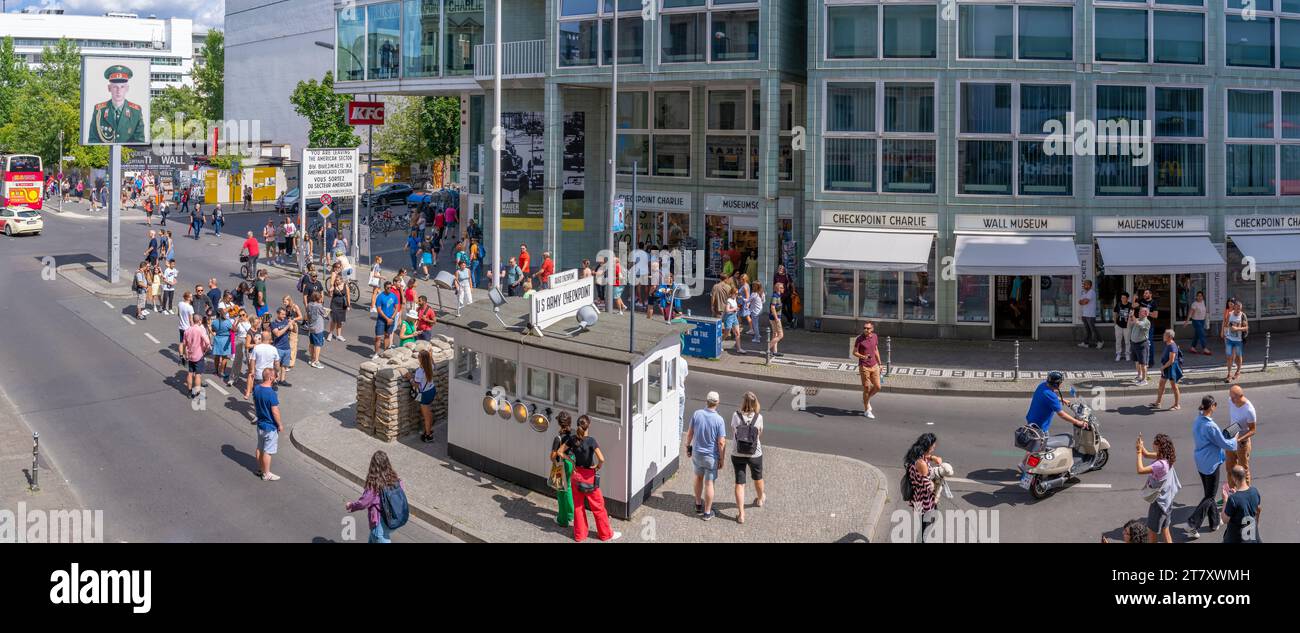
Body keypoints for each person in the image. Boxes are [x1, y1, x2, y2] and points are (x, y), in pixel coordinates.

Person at [555, 415, 620, 542]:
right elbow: (601, 459)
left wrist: (572, 462)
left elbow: (559, 452)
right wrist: (597, 467)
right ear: (588, 426)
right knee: (598, 506)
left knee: (578, 507)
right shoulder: (591, 441)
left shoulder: (572, 440)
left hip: (576, 476)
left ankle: (580, 536)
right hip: (589, 477)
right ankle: (606, 535)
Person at [1187, 395, 1240, 539]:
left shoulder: (1198, 420)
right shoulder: (1211, 426)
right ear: (1212, 406)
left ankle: (1214, 522)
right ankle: (1193, 523)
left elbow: (1214, 438)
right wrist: (1235, 437)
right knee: (1210, 496)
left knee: (1208, 493)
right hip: (1211, 463)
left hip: (1200, 461)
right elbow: (1225, 444)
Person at [686, 391, 727, 521]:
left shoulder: (697, 414)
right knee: (709, 483)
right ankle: (707, 512)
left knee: (698, 478)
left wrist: (688, 447)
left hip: (697, 454)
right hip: (711, 457)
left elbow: (690, 433)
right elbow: (721, 443)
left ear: (706, 401)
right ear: (717, 403)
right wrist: (722, 458)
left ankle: (698, 504)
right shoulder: (719, 420)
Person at [1135, 433, 1181, 543]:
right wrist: (1141, 447)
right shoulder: (1166, 457)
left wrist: (1138, 452)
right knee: (1165, 530)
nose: (1153, 444)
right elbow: (1146, 455)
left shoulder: (1160, 464)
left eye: (1155, 442)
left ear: (1160, 446)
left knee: (1152, 531)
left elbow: (1140, 470)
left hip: (1158, 504)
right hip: (1167, 501)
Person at [731, 391, 766, 525]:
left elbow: (734, 430)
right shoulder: (759, 417)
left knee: (740, 483)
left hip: (737, 453)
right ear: (755, 403)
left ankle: (741, 514)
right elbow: (759, 434)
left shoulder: (736, 416)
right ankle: (760, 499)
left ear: (743, 402)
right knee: (758, 478)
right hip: (754, 453)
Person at [87, 64, 145, 143]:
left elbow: (139, 142)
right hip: (104, 154)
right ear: (109, 88)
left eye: (122, 87)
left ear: (127, 89)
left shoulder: (135, 111)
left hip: (127, 155)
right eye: (115, 87)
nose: (118, 91)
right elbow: (93, 140)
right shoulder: (99, 110)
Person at [904, 433, 942, 542]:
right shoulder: (922, 464)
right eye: (933, 446)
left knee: (924, 522)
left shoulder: (915, 454)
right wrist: (935, 482)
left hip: (916, 496)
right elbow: (928, 486)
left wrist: (933, 457)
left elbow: (925, 458)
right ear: (927, 446)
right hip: (924, 499)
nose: (934, 447)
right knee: (927, 524)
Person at [252, 368, 283, 481]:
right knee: (268, 451)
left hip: (260, 424)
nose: (276, 379)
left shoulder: (256, 389)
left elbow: (255, 403)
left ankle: (260, 469)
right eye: (275, 377)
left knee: (259, 448)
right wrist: (279, 424)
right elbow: (275, 411)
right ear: (270, 378)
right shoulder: (271, 393)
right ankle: (266, 474)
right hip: (270, 426)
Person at [1225, 385, 1257, 486]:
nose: (1231, 400)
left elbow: (1253, 430)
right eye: (1230, 396)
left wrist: (1239, 440)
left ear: (1241, 396)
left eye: (1234, 398)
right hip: (1231, 437)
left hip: (1242, 442)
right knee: (1230, 468)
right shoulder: (1231, 401)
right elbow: (1233, 419)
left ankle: (1245, 493)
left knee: (1243, 470)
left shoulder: (1249, 410)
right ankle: (1231, 493)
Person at [1221, 466, 1261, 543]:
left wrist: (1225, 500)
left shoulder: (1232, 499)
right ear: (1245, 475)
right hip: (1252, 536)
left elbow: (1224, 519)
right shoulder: (1255, 491)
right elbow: (1258, 509)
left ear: (1233, 478)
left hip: (1237, 538)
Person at [549, 412, 576, 527]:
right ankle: (571, 515)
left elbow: (553, 456)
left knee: (561, 491)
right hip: (572, 461)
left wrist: (554, 462)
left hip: (562, 463)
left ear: (559, 424)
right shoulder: (574, 433)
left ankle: (562, 519)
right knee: (568, 488)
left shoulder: (558, 438)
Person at [1151, 329, 1182, 411]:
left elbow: (1171, 361)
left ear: (1170, 337)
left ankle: (1177, 405)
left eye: (1165, 335)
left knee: (1174, 387)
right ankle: (1158, 403)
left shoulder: (1172, 346)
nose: (1163, 336)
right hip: (1166, 367)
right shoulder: (1168, 344)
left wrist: (1163, 367)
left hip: (1171, 368)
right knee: (1161, 384)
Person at [412, 349, 439, 444]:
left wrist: (408, 377)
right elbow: (434, 364)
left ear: (421, 359)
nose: (417, 357)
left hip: (425, 394)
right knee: (428, 412)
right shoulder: (430, 366)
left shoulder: (419, 371)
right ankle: (430, 428)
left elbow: (416, 385)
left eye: (418, 356)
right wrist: (431, 355)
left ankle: (428, 435)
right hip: (432, 390)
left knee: (426, 416)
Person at [182, 314, 211, 399]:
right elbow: (208, 342)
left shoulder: (187, 330)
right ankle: (197, 392)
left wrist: (185, 353)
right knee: (198, 375)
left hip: (190, 355)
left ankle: (189, 392)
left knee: (190, 373)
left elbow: (184, 344)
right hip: (199, 355)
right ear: (199, 321)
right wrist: (205, 349)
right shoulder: (200, 330)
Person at [244, 332, 280, 400]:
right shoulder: (273, 349)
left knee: (257, 394)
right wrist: (277, 372)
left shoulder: (256, 348)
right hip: (270, 376)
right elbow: (277, 364)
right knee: (271, 393)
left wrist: (252, 370)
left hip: (259, 375)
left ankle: (257, 407)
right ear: (270, 338)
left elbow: (252, 360)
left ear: (261, 338)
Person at [373, 281, 399, 359]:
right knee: (378, 337)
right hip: (381, 319)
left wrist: (391, 318)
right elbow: (379, 310)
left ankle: (385, 352)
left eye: (390, 287)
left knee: (387, 336)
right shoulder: (380, 296)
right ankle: (376, 353)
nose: (389, 289)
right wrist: (387, 318)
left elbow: (397, 307)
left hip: (390, 319)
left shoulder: (393, 296)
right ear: (384, 288)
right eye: (388, 288)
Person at [1223, 300, 1247, 383]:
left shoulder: (1242, 315)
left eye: (1239, 309)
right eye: (1237, 309)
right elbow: (1226, 324)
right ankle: (1229, 374)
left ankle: (1238, 371)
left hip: (1238, 340)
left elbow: (1246, 328)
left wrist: (1237, 329)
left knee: (1238, 356)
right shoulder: (1230, 314)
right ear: (1234, 307)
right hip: (1229, 339)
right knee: (1229, 357)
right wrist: (1225, 335)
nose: (1238, 311)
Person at [211, 308, 236, 385]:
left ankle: (216, 371)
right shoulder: (227, 322)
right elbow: (234, 329)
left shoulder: (214, 322)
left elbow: (213, 329)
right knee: (224, 357)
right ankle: (222, 372)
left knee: (217, 356)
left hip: (217, 338)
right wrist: (236, 322)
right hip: (225, 339)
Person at [270, 308, 295, 384]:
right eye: (282, 314)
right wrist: (287, 326)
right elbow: (277, 334)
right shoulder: (274, 323)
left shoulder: (286, 321)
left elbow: (291, 328)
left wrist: (291, 323)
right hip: (278, 347)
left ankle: (282, 380)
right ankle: (273, 380)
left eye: (285, 314)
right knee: (276, 366)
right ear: (278, 314)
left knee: (284, 365)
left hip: (287, 347)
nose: (284, 316)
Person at [1129, 307, 1152, 386]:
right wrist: (1131, 316)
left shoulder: (1147, 322)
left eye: (1140, 312)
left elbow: (1137, 323)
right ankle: (1139, 376)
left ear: (1145, 313)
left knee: (1143, 363)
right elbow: (1131, 323)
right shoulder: (1138, 319)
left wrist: (1132, 316)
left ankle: (1144, 380)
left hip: (1142, 344)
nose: (1138, 312)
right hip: (1134, 343)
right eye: (1139, 311)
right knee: (1137, 361)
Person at [305, 292, 327, 370]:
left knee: (311, 343)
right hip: (318, 328)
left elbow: (307, 315)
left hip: (311, 326)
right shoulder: (319, 306)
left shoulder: (309, 305)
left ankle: (312, 359)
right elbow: (324, 314)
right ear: (318, 298)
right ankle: (316, 361)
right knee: (318, 344)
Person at [1077, 279, 1101, 349]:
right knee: (1087, 330)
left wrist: (1083, 301)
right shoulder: (1084, 293)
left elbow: (1085, 302)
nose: (1085, 286)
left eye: (1087, 284)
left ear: (1090, 285)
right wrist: (1083, 301)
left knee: (1093, 330)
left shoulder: (1091, 292)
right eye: (1084, 284)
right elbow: (1080, 302)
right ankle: (1086, 343)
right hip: (1085, 314)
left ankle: (1100, 341)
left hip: (1090, 315)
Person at [1184, 290, 1209, 355]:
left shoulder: (1203, 302)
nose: (1200, 297)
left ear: (1203, 297)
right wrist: (1187, 321)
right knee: (1202, 334)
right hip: (1196, 321)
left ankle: (1192, 347)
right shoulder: (1194, 304)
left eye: (1201, 296)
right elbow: (1190, 312)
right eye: (1198, 296)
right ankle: (1204, 348)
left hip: (1202, 321)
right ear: (1196, 297)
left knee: (1197, 335)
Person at [1112, 292, 1132, 362]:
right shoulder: (1118, 304)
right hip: (1119, 325)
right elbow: (1115, 313)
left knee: (1127, 341)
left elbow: (1132, 315)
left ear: (1127, 298)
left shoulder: (1130, 305)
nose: (1122, 299)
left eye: (1124, 298)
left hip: (1127, 326)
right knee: (1118, 341)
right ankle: (1118, 354)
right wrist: (1115, 324)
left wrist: (1130, 324)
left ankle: (1127, 354)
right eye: (1121, 298)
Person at [725, 286, 744, 354]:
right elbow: (727, 310)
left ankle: (739, 349)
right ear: (731, 293)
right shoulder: (728, 300)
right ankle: (718, 343)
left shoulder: (735, 298)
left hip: (734, 317)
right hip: (729, 318)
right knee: (726, 334)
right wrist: (734, 309)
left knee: (737, 333)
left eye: (737, 293)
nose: (736, 295)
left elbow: (739, 300)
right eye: (735, 293)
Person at [768, 281, 786, 357]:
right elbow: (772, 307)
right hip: (775, 318)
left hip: (775, 318)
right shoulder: (775, 296)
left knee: (775, 334)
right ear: (778, 288)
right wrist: (776, 319)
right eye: (781, 288)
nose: (783, 289)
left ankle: (774, 352)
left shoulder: (778, 296)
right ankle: (767, 348)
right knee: (780, 335)